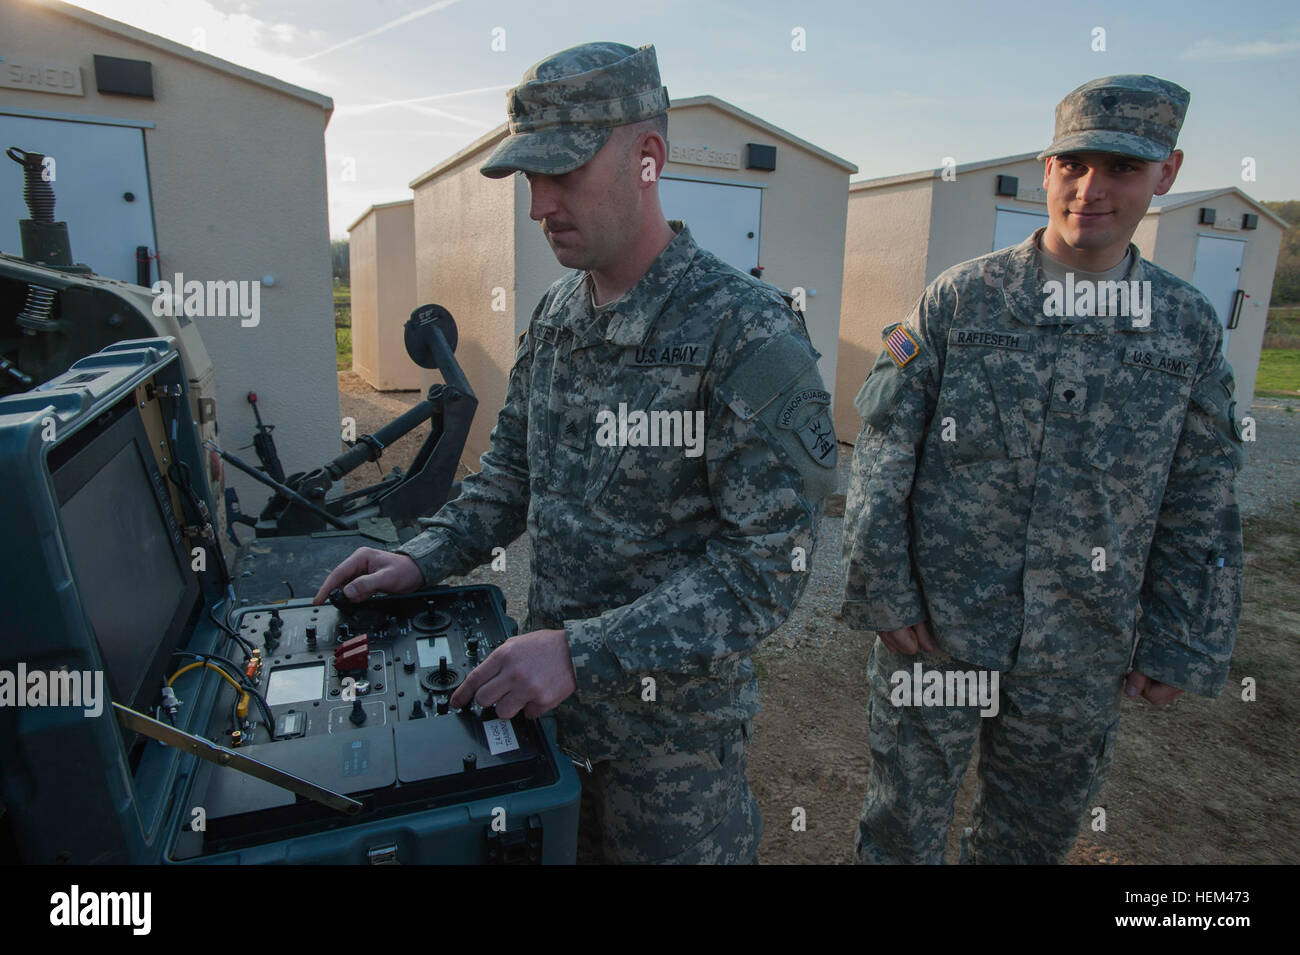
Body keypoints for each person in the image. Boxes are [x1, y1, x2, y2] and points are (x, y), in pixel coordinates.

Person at [316, 41, 837, 864]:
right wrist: (421, 558)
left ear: (647, 160)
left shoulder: (748, 333)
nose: (539, 206)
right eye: (531, 179)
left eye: (562, 173)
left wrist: (580, 651)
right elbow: (509, 479)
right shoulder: (558, 316)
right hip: (552, 721)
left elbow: (768, 569)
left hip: (672, 753)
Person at [840, 74, 1244, 864]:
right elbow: (883, 453)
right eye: (1075, 163)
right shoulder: (964, 301)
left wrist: (1180, 637)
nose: (1092, 188)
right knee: (899, 829)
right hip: (940, 638)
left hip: (1078, 653)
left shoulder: (1185, 327)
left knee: (1028, 843)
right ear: (1047, 167)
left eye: (1123, 168)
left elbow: (1201, 493)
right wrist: (881, 587)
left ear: (1167, 172)